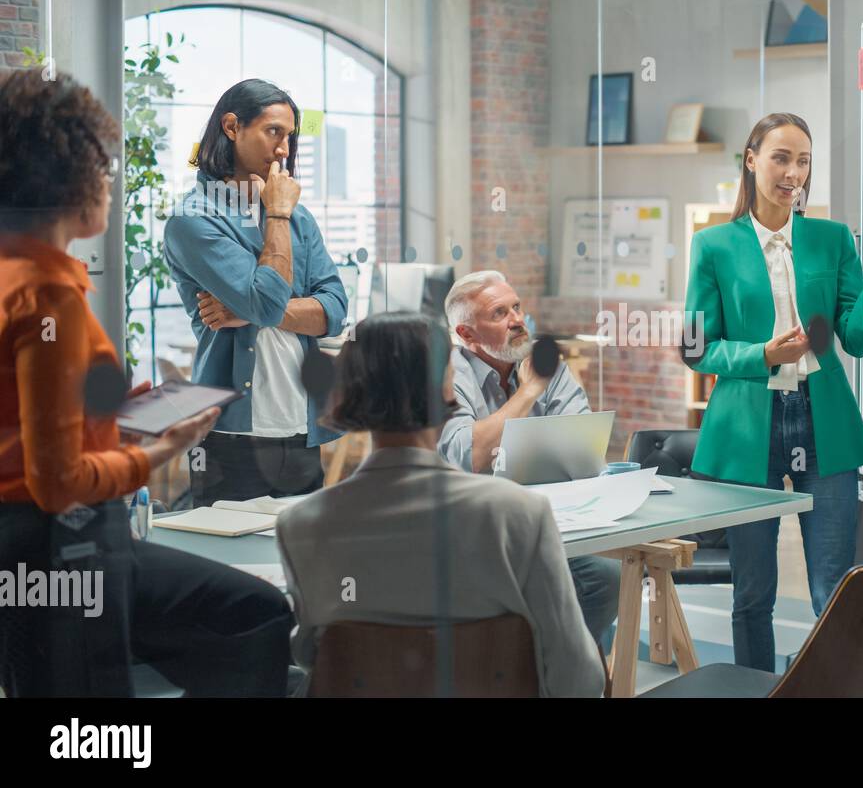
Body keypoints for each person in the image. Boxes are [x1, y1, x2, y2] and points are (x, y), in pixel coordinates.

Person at [0, 68, 292, 697]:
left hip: (33, 546)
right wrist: (152, 452)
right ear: (63, 178)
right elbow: (55, 482)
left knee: (247, 614)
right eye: (101, 165)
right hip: (60, 544)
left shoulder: (24, 276)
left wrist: (135, 411)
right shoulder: (45, 292)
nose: (110, 180)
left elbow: (30, 422)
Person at [684, 112, 863, 672]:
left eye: (804, 161)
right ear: (751, 159)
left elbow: (856, 339)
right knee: (753, 593)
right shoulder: (712, 245)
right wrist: (762, 356)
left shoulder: (831, 239)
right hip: (748, 427)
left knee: (833, 590)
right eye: (781, 158)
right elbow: (695, 348)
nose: (794, 173)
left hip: (823, 419)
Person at [277, 312, 606, 696]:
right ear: (447, 387)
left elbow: (316, 658)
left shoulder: (300, 525)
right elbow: (579, 679)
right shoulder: (518, 514)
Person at [164, 79, 348, 508]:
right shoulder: (193, 220)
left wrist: (250, 311)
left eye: (290, 136)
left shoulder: (300, 219)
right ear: (232, 127)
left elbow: (336, 308)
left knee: (304, 562)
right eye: (274, 132)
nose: (285, 149)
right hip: (231, 436)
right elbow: (265, 300)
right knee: (231, 568)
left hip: (303, 428)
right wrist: (277, 213)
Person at [437, 270, 621, 650]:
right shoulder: (448, 375)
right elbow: (467, 456)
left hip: (547, 523)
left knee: (606, 577)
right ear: (466, 335)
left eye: (517, 308)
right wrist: (531, 388)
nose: (517, 320)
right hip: (473, 534)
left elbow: (584, 449)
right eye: (499, 313)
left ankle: (558, 674)